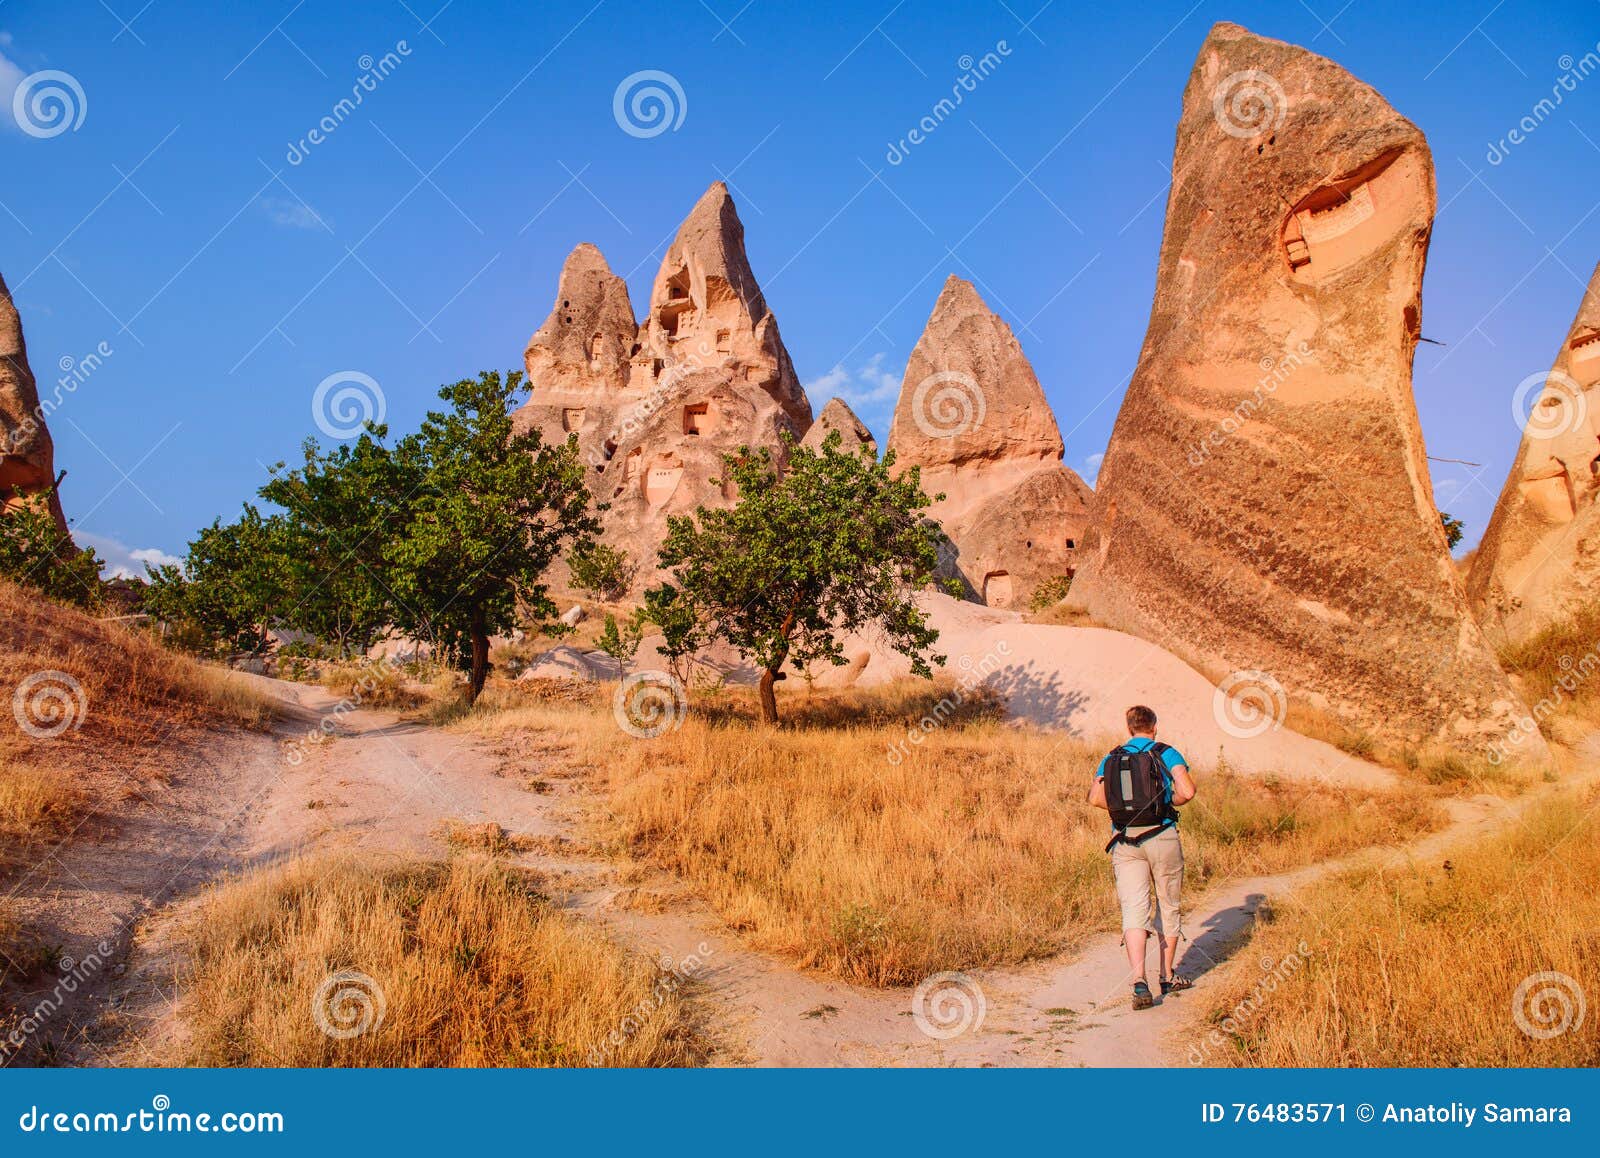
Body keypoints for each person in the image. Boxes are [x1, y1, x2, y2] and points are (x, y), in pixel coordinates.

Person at [1086, 704, 1198, 1010]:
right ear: (1154, 727)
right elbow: (1187, 791)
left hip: (1125, 840)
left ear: (1129, 728)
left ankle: (1139, 982)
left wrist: (1125, 811)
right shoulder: (1166, 752)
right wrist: (1165, 802)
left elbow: (1095, 798)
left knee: (1134, 910)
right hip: (1162, 836)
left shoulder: (1111, 756)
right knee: (1168, 904)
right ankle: (1167, 975)